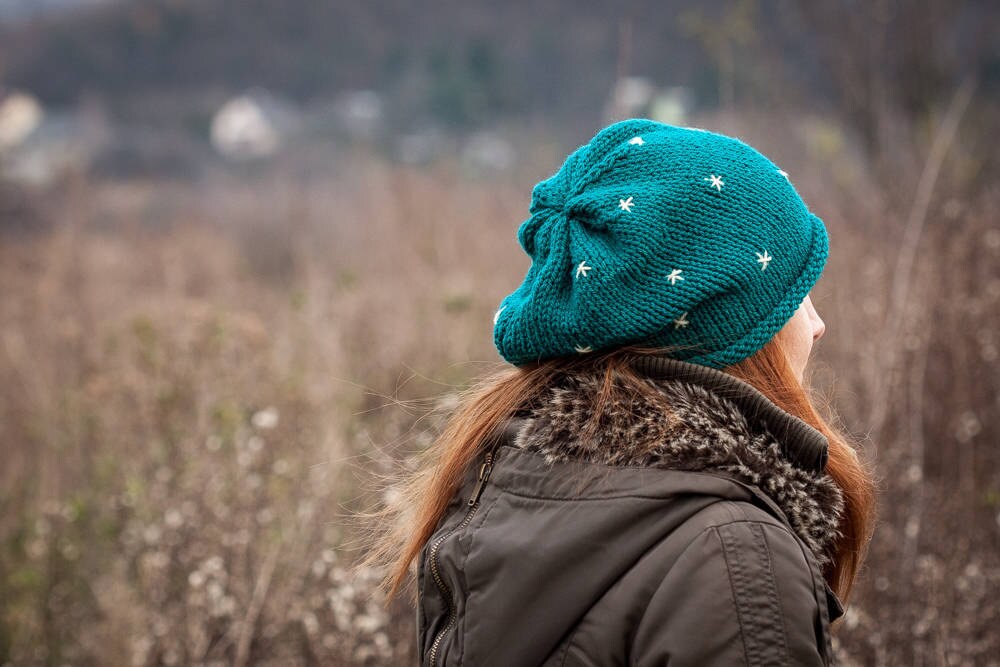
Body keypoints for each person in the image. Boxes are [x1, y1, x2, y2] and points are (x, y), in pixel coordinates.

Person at [374, 119, 876, 666]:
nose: (817, 322)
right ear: (725, 331)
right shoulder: (735, 555)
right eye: (796, 293)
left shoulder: (496, 484)